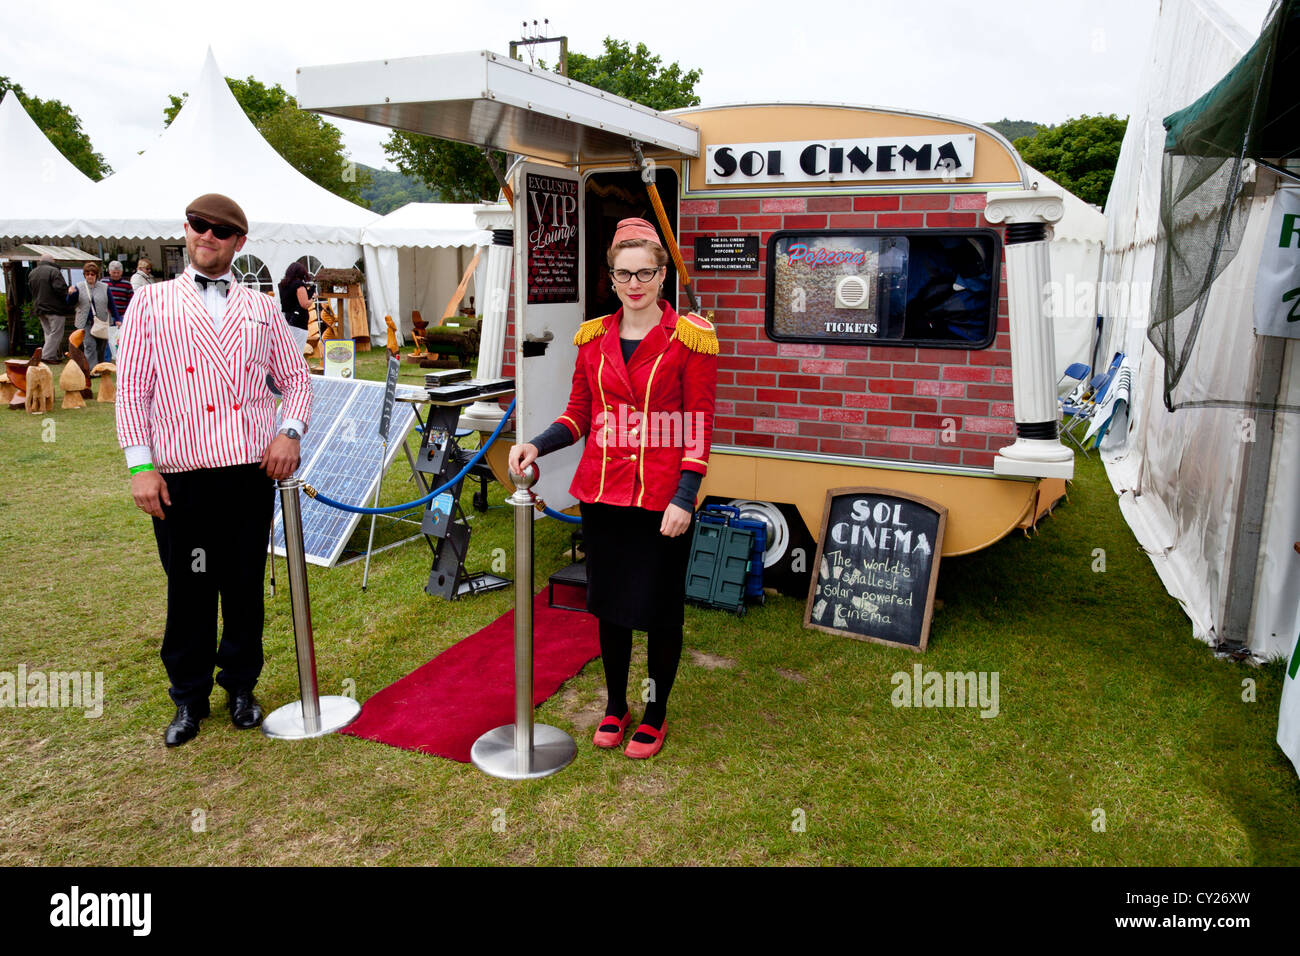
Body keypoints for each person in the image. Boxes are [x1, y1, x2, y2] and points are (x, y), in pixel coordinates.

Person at [508, 218, 717, 759]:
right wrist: (538, 444)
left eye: (646, 271)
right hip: (602, 494)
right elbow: (580, 413)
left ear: (663, 273)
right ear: (611, 276)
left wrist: (685, 497)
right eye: (624, 273)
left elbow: (698, 424)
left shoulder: (691, 336)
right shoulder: (593, 337)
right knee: (611, 605)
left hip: (661, 498)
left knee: (661, 608)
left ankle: (655, 711)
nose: (635, 283)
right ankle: (615, 705)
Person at [115, 193, 313, 747]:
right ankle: (189, 696)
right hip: (182, 477)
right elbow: (131, 392)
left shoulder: (261, 308)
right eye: (199, 226)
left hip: (249, 475)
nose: (208, 236)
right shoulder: (150, 305)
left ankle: (242, 686)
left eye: (221, 232)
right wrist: (140, 467)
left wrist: (288, 432)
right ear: (186, 230)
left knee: (245, 585)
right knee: (191, 586)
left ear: (238, 243)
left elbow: (296, 381)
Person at [67, 261, 120, 370]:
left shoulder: (104, 287)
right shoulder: (79, 286)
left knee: (101, 347)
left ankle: (101, 368)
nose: (90, 276)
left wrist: (117, 318)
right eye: (87, 274)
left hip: (102, 321)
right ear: (84, 275)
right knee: (90, 346)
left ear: (96, 275)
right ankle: (92, 369)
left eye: (92, 274)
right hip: (85, 322)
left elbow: (111, 304)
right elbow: (70, 303)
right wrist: (71, 294)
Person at [27, 254, 70, 363]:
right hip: (54, 308)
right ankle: (46, 356)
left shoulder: (32, 272)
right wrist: (68, 292)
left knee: (48, 333)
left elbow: (31, 290)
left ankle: (52, 356)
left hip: (39, 307)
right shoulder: (54, 271)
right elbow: (60, 289)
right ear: (52, 260)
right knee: (56, 333)